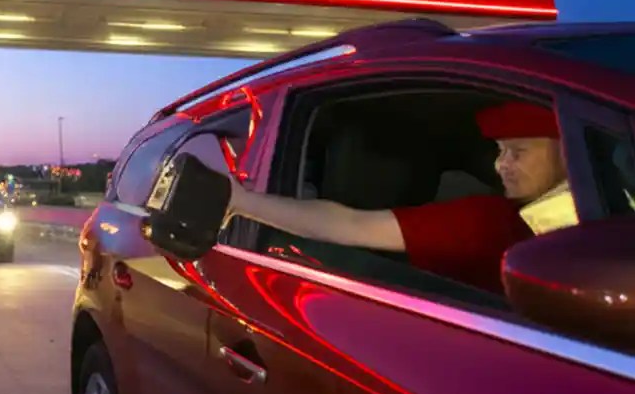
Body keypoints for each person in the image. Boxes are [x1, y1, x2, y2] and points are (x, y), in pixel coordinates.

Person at [227, 101, 573, 293]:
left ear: (569, 154)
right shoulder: (486, 221)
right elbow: (350, 225)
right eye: (499, 150)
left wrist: (242, 202)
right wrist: (240, 201)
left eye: (518, 151)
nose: (501, 164)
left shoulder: (605, 216)